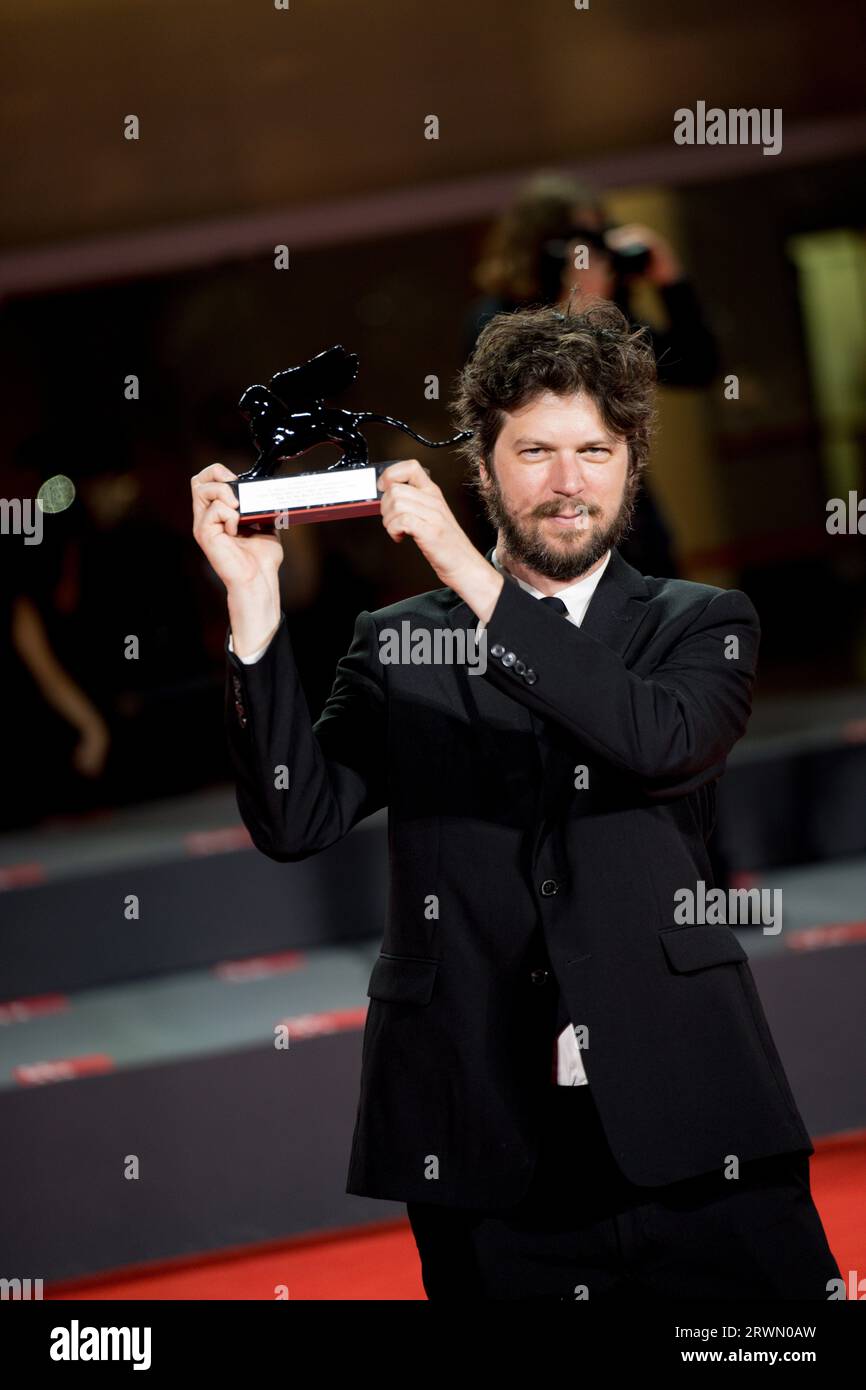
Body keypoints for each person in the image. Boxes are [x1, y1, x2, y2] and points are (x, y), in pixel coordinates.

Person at [191, 298, 841, 1301]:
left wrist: (463, 568)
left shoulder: (702, 622)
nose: (568, 482)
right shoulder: (396, 641)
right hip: (484, 1143)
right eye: (534, 451)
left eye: (595, 449)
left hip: (696, 1123)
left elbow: (653, 740)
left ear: (631, 464)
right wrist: (253, 604)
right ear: (483, 462)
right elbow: (293, 817)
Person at [465, 171, 720, 578]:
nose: (588, 255)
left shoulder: (608, 312)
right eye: (578, 242)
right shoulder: (495, 318)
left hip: (624, 518)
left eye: (598, 239)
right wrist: (581, 309)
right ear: (541, 247)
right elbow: (532, 397)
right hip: (539, 519)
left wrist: (671, 282)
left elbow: (696, 367)